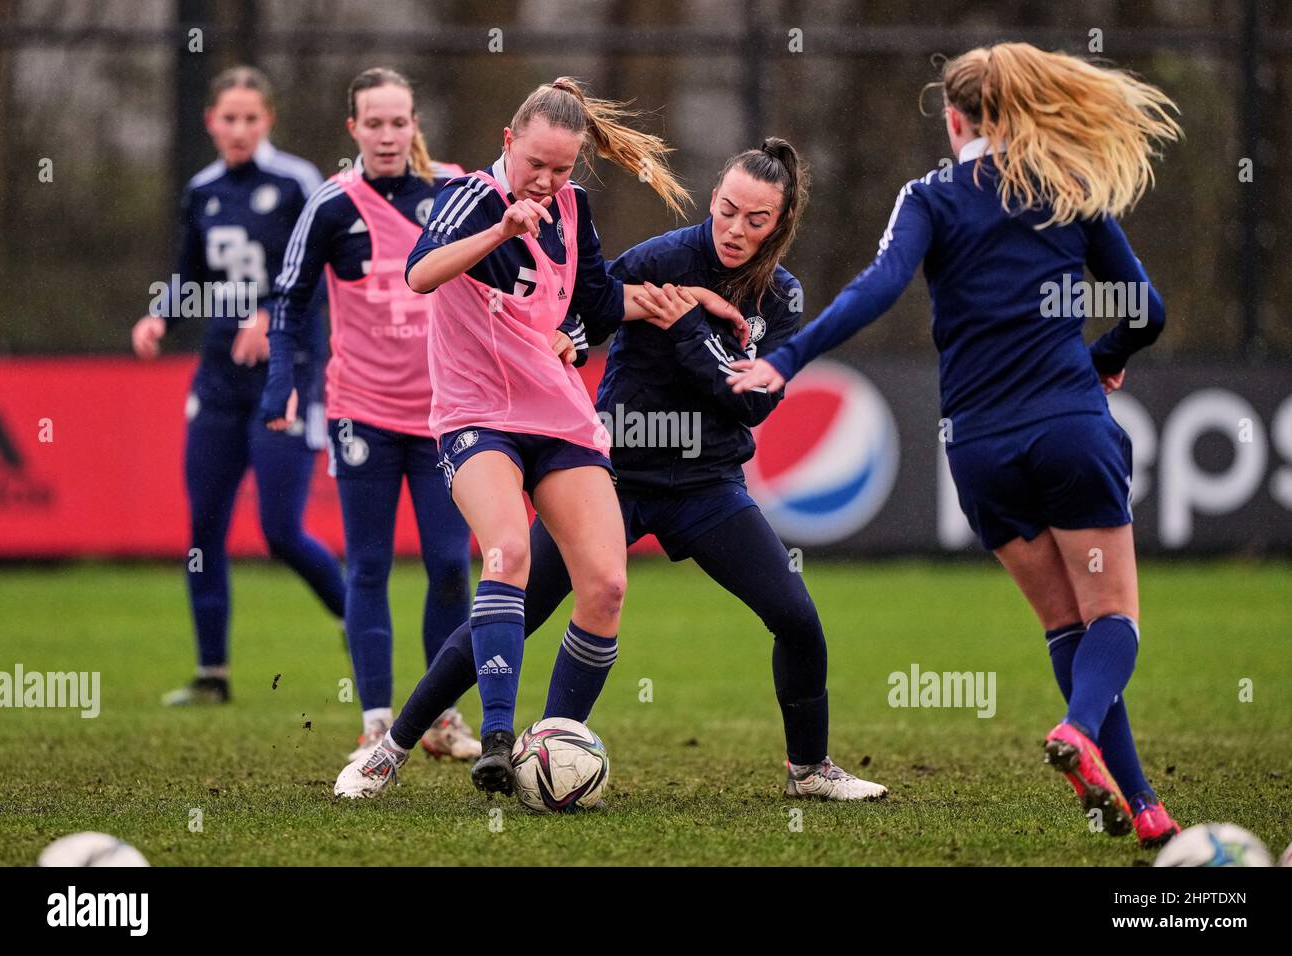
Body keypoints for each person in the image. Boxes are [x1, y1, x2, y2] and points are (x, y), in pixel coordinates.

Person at [728, 43, 1183, 847]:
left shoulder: (929, 197)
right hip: (1070, 428)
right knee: (1112, 615)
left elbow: (876, 289)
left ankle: (1141, 805)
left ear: (955, 118)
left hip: (977, 448)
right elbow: (1146, 308)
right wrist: (1104, 358)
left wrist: (788, 359)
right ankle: (1079, 731)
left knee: (1064, 628)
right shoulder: (1068, 188)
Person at [336, 139, 887, 802]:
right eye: (729, 211)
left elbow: (750, 399)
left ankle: (809, 770)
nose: (737, 230)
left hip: (708, 487)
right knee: (513, 603)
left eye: (757, 220)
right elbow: (582, 307)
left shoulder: (781, 295)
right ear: (713, 198)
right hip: (613, 474)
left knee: (796, 617)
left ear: (781, 224)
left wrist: (686, 325)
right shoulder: (661, 257)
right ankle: (389, 750)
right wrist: (568, 336)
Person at [334, 76, 748, 798]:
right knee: (510, 551)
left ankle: (551, 747)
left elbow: (599, 303)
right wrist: (501, 229)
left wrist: (687, 302)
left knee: (608, 585)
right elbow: (421, 273)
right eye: (536, 165)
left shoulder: (573, 210)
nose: (548, 181)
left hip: (557, 419)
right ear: (508, 142)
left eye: (562, 169)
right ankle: (454, 743)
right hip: (476, 416)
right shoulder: (471, 198)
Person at [263, 67, 477, 761]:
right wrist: (280, 382)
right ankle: (378, 720)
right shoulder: (330, 205)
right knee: (368, 565)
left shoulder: (454, 191)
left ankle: (443, 717)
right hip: (362, 412)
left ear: (415, 123)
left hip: (446, 412)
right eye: (373, 123)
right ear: (352, 128)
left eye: (398, 121)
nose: (387, 135)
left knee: (450, 565)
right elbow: (290, 299)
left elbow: (509, 273)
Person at [132, 66, 345, 707]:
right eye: (229, 118)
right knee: (203, 526)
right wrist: (160, 314)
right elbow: (188, 272)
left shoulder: (297, 183)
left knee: (280, 529)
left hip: (286, 376)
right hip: (220, 380)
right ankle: (211, 674)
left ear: (268, 121)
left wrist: (269, 317)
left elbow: (322, 277)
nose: (239, 129)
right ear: (211, 122)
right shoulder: (201, 191)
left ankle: (353, 620)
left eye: (251, 118)